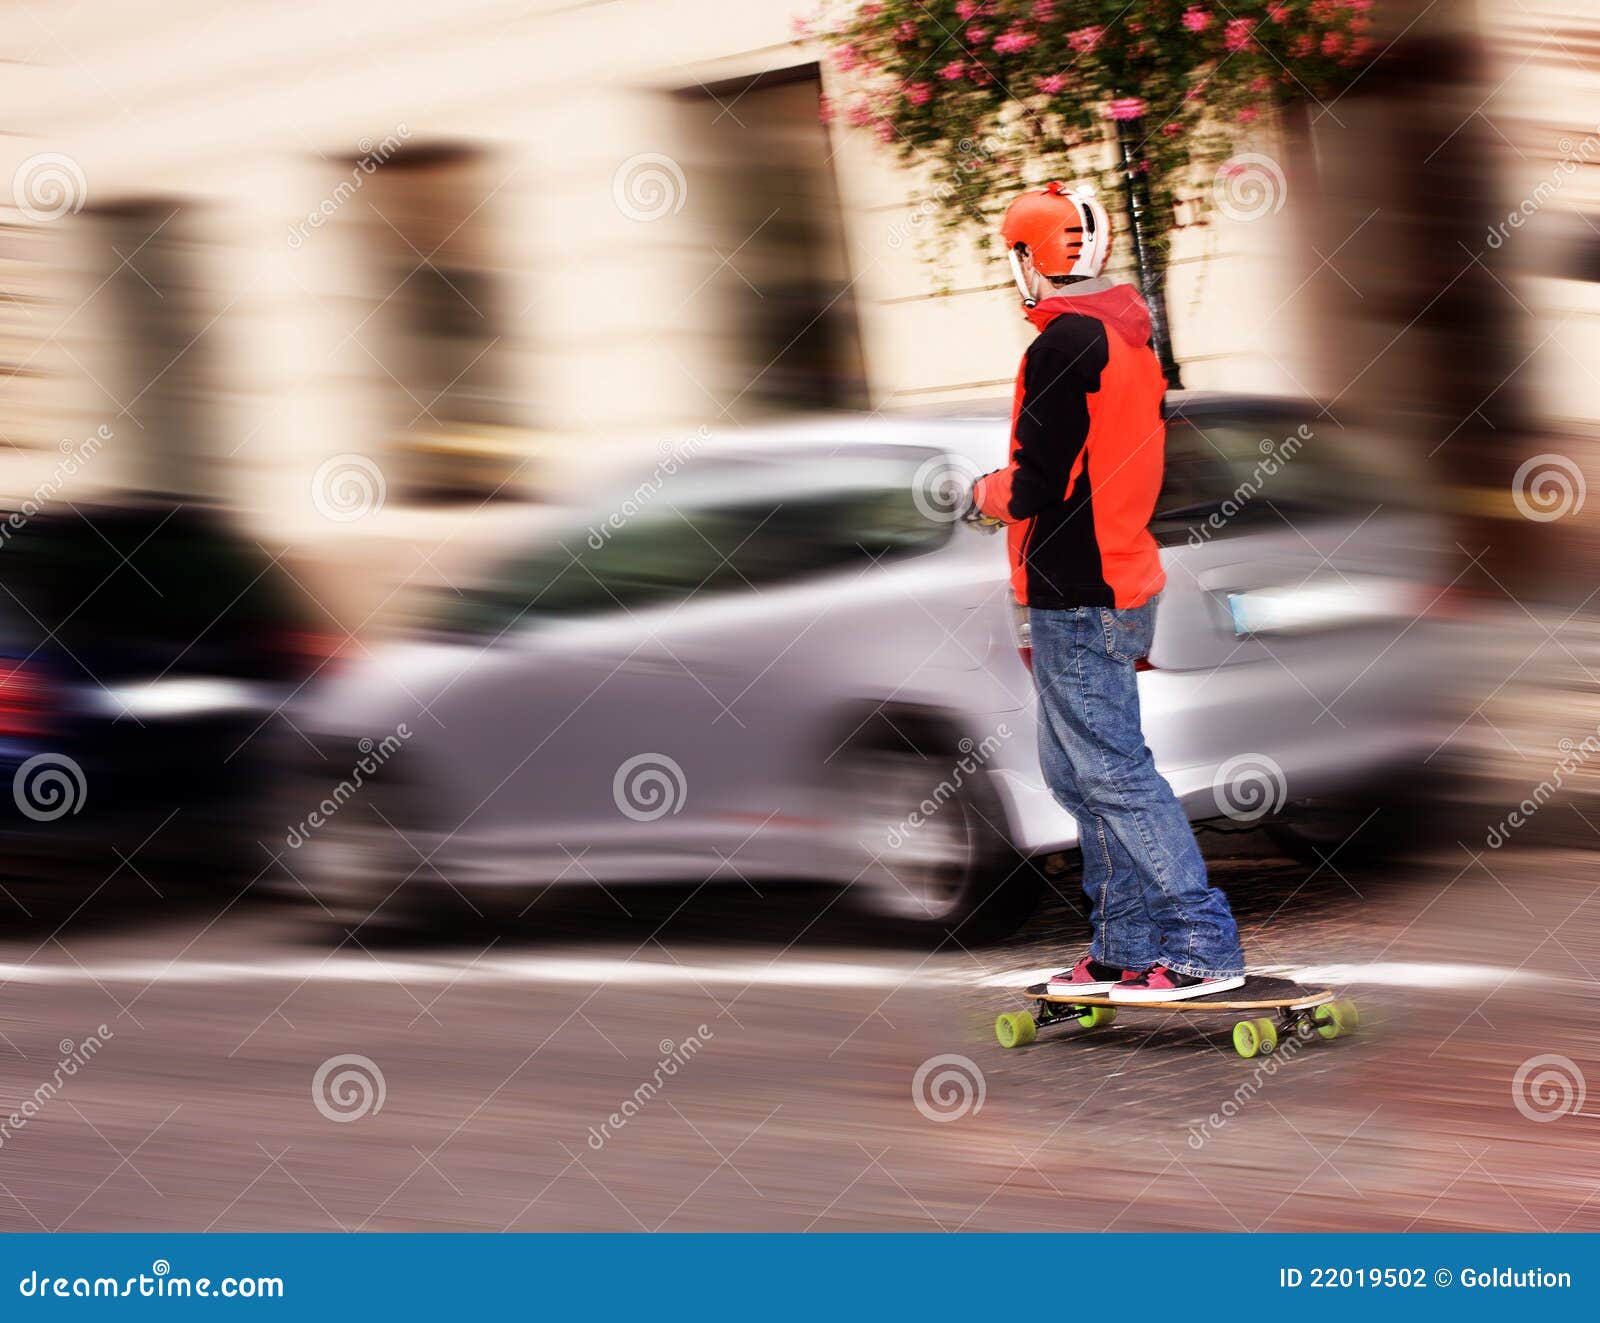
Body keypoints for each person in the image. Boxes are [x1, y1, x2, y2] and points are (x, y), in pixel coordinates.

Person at [964, 181, 1245, 1002]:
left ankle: (1199, 941)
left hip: (1078, 590)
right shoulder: (1128, 338)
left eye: (1013, 254)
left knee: (1113, 775)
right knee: (1077, 773)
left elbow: (1038, 486)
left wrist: (981, 493)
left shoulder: (1060, 349)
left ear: (1030, 258)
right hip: (1117, 578)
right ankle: (1123, 945)